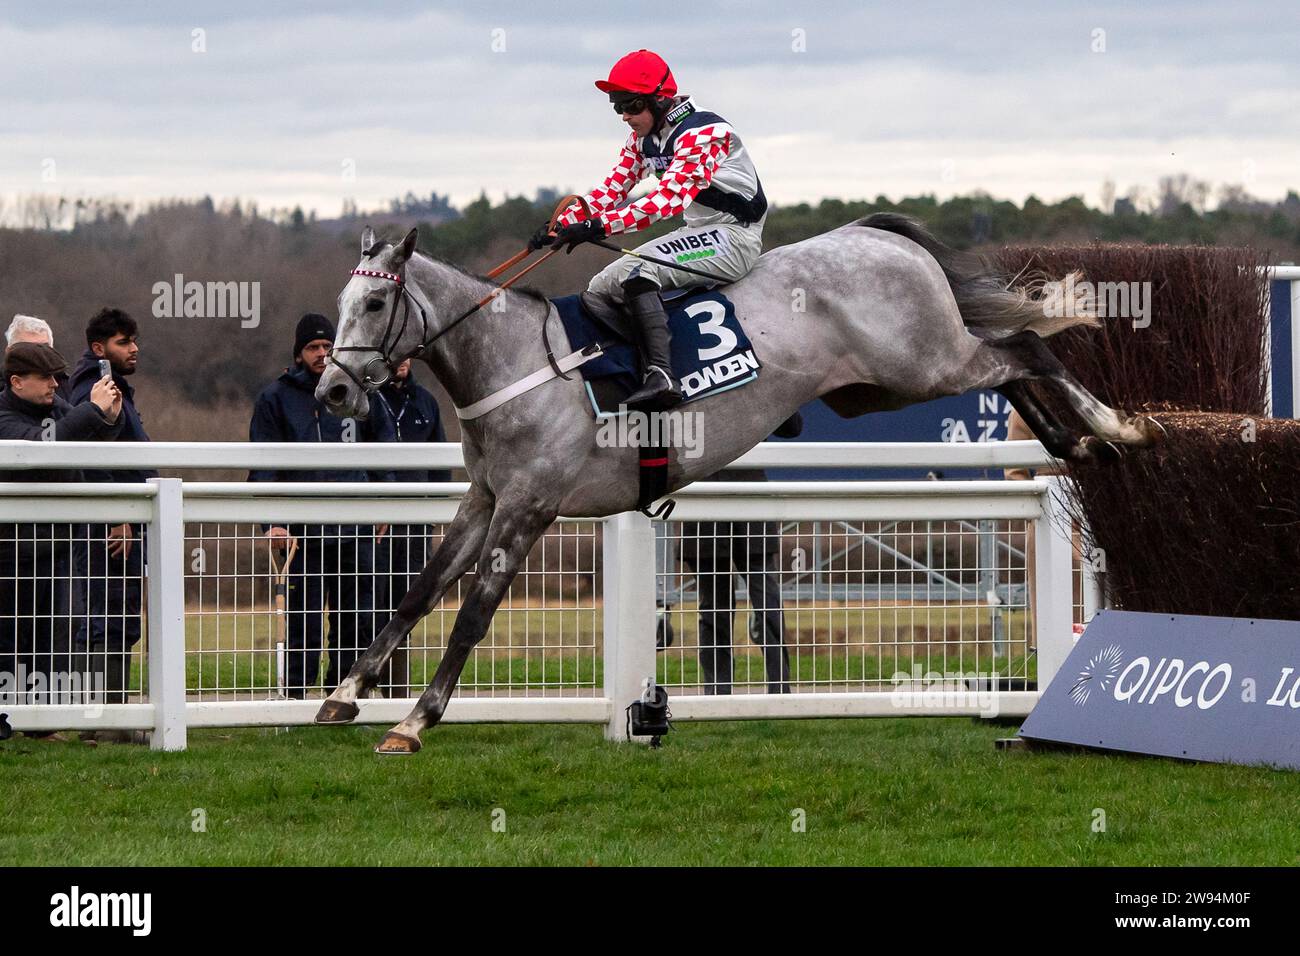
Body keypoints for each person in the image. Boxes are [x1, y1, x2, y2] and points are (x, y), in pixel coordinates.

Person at [531, 49, 767, 409]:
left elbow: (665, 202)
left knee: (637, 269)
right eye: (617, 107)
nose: (625, 116)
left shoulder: (703, 133)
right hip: (700, 234)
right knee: (599, 288)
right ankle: (644, 365)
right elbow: (611, 190)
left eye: (631, 105)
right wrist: (560, 225)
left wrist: (596, 227)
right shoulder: (643, 139)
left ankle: (663, 375)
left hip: (735, 239)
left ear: (660, 99)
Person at [248, 314, 393, 698]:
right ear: (298, 353)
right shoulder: (275, 399)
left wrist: (385, 505)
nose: (322, 353)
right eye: (313, 347)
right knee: (304, 623)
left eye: (328, 347)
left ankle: (343, 698)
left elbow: (387, 451)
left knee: (356, 621)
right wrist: (272, 524)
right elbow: (263, 467)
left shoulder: (358, 392)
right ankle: (295, 700)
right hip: (303, 535)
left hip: (356, 529)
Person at [0, 344, 122, 733]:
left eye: (57, 376)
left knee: (52, 643)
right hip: (12, 555)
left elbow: (91, 442)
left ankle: (41, 726)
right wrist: (91, 411)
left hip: (57, 550)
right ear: (16, 382)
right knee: (10, 641)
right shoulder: (3, 416)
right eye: (46, 378)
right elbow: (40, 449)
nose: (56, 384)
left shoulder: (55, 409)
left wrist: (110, 419)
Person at [65, 308, 154, 710]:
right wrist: (118, 512)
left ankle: (103, 716)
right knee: (109, 615)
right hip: (110, 524)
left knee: (114, 614)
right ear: (99, 348)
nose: (134, 349)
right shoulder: (96, 386)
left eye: (134, 341)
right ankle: (103, 718)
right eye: (124, 342)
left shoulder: (111, 384)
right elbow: (92, 453)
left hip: (123, 518)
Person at [677, 414, 802, 695]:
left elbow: (793, 426)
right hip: (708, 502)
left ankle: (779, 689)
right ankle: (718, 693)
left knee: (765, 602)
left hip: (745, 499)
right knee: (715, 606)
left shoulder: (751, 374)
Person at [369, 358, 450, 695]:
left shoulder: (426, 401)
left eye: (406, 357)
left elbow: (441, 463)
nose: (401, 363)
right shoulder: (372, 400)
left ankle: (397, 692)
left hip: (416, 522)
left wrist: (437, 511)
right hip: (379, 520)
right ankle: (367, 685)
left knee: (407, 604)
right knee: (372, 604)